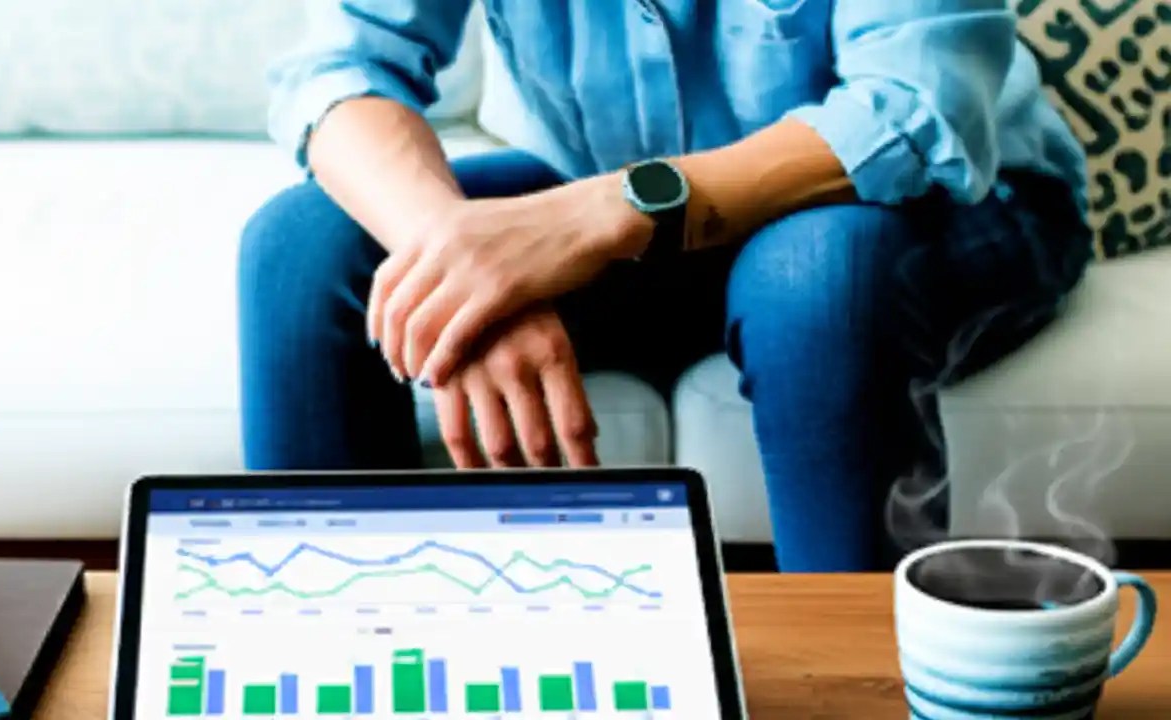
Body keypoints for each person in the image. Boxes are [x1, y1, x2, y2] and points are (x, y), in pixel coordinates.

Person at [238, 0, 1093, 571]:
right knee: (300, 247)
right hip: (629, 212)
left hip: (937, 198)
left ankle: (860, 678)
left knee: (812, 278)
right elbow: (340, 71)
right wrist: (463, 261)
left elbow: (914, 108)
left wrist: (600, 216)